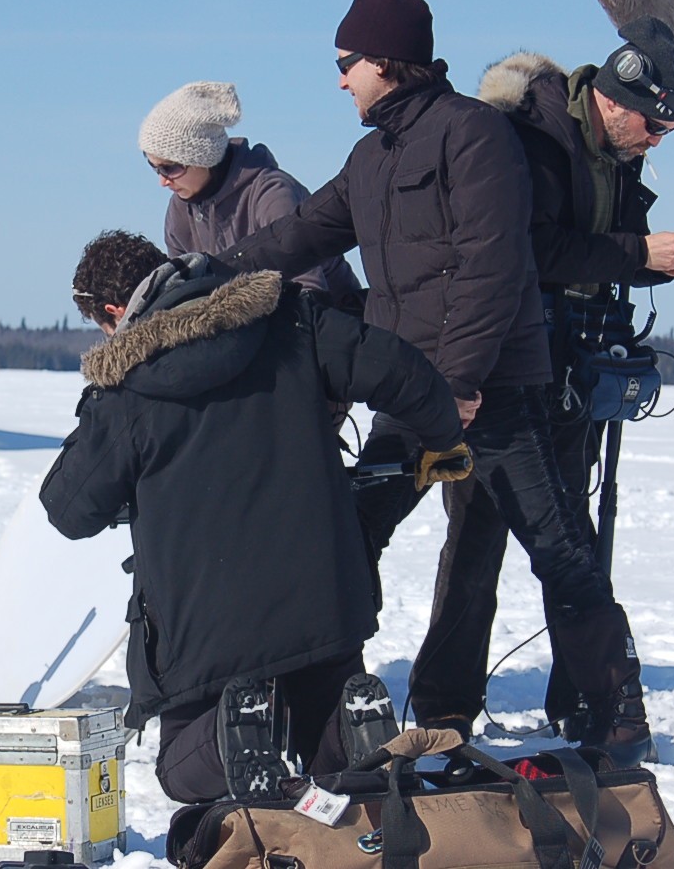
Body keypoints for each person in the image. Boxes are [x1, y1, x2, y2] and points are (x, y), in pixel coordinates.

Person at [217, 0, 656, 765]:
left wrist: (457, 381)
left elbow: (495, 267)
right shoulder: (372, 154)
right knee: (348, 533)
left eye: (346, 61)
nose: (340, 77)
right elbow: (305, 233)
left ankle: (615, 715)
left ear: (384, 61)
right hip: (409, 390)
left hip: (492, 394)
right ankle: (331, 705)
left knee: (558, 549)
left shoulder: (475, 135)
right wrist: (212, 273)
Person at [40, 231, 468, 803]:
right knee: (328, 733)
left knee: (178, 764)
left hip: (206, 631)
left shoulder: (128, 392)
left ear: (115, 313)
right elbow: (402, 371)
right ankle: (351, 730)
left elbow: (68, 509)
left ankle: (226, 737)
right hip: (324, 598)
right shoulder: (290, 318)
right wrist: (442, 440)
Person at [412, 17, 674, 743]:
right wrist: (638, 250)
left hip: (573, 364)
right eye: (654, 121)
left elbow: (587, 252)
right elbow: (531, 248)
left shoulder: (611, 150)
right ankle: (446, 707)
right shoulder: (533, 140)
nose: (658, 138)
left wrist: (640, 262)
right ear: (612, 97)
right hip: (508, 366)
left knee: (572, 531)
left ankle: (578, 697)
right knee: (480, 532)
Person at [139, 80, 362, 310]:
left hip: (333, 324)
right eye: (154, 167)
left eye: (170, 167)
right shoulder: (179, 211)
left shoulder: (272, 194)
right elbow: (183, 297)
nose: (163, 181)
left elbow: (308, 292)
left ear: (203, 158)